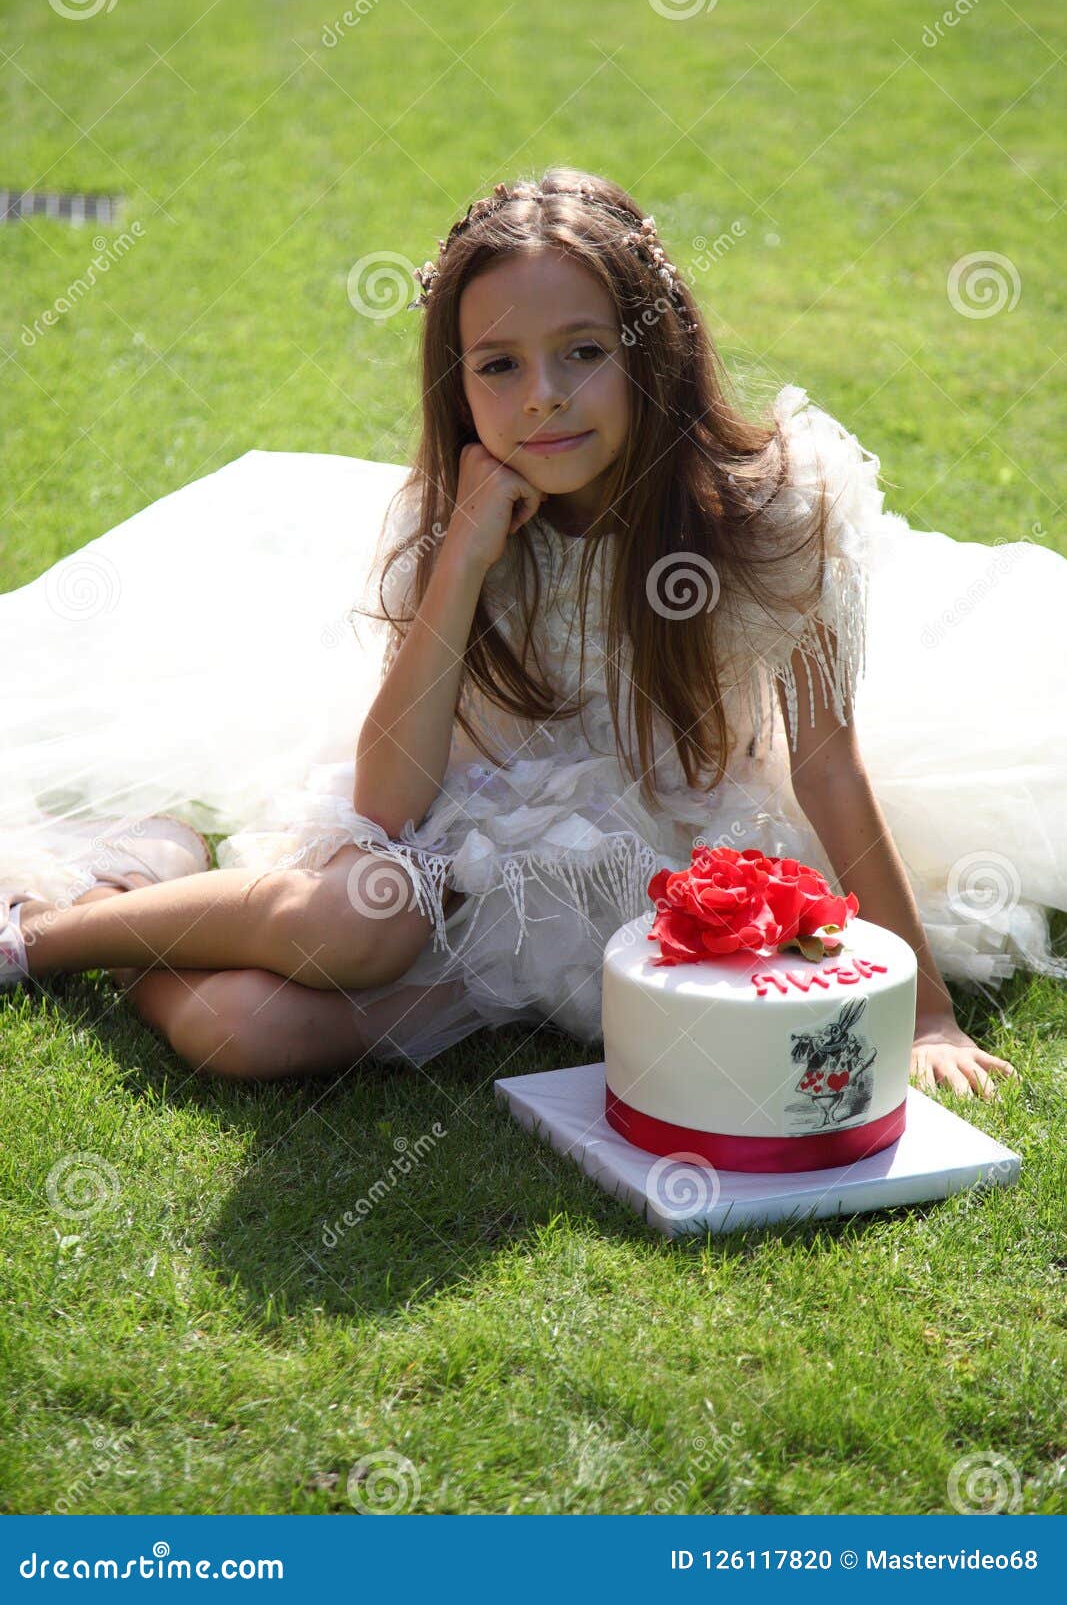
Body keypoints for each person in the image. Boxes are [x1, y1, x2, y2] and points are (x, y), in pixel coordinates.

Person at [2, 169, 1064, 1098]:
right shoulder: (453, 521)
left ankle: (131, 888)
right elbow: (386, 801)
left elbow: (826, 763)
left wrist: (922, 1010)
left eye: (583, 352)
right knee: (362, 926)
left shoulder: (772, 509)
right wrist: (465, 550)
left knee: (243, 1031)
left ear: (657, 348)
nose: (541, 400)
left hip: (661, 847)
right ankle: (41, 938)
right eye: (496, 366)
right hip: (465, 827)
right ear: (455, 384)